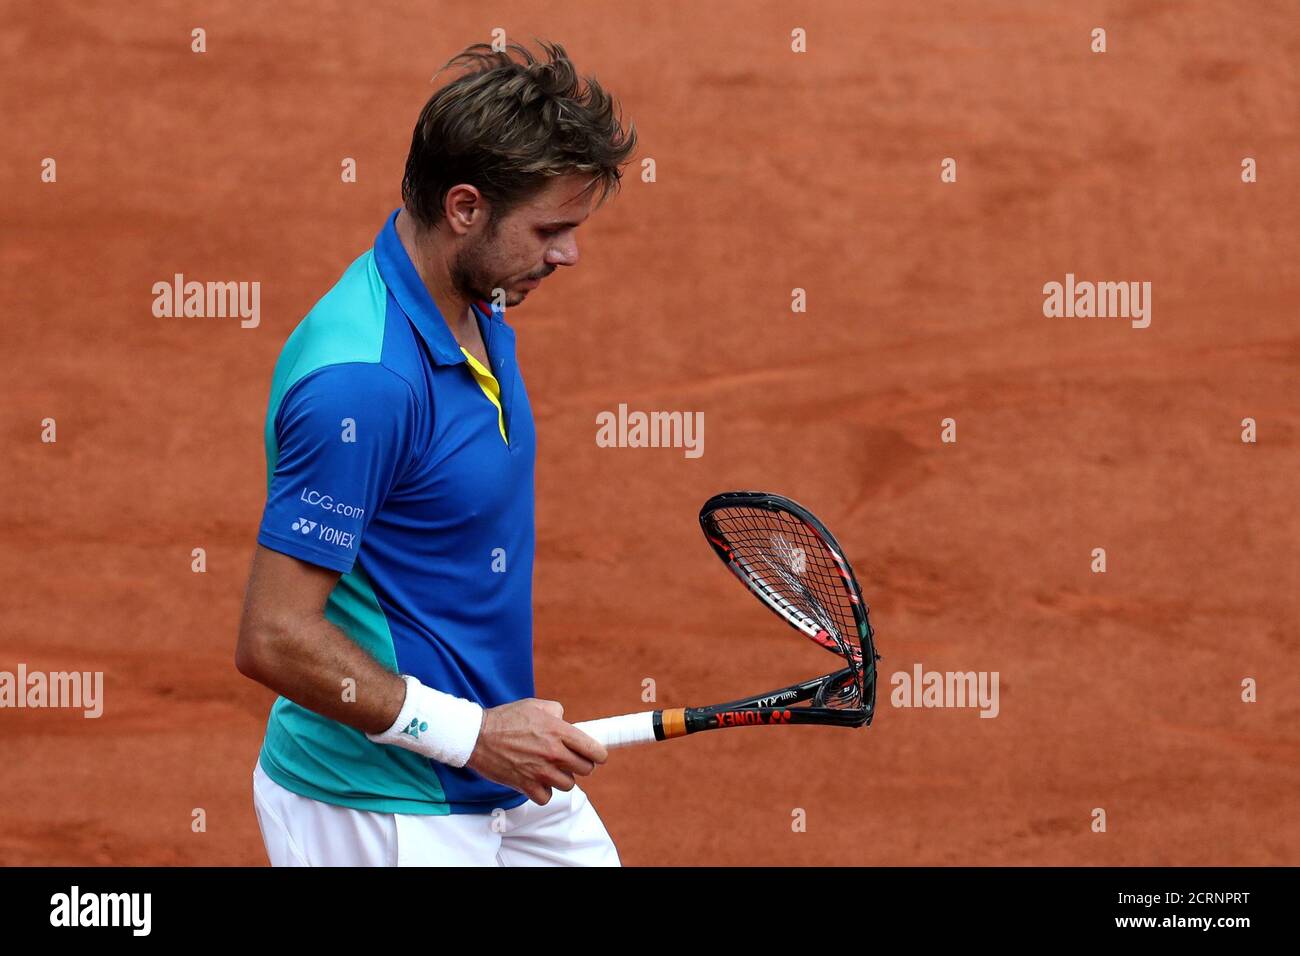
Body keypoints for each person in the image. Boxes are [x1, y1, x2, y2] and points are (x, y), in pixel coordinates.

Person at [235, 39, 636, 866]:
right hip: (380, 807)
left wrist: (491, 736)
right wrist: (472, 733)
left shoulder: (473, 303)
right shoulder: (364, 385)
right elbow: (274, 635)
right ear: (464, 208)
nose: (569, 254)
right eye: (551, 229)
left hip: (495, 768)